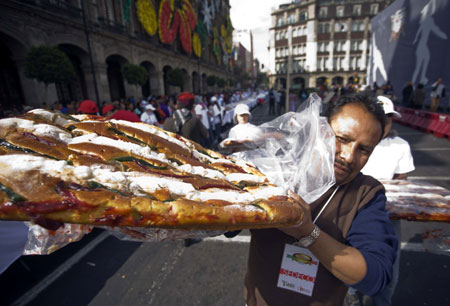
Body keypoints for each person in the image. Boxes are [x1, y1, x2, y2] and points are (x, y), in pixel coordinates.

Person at [244, 92, 398, 306]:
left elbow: (375, 276)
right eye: (342, 139)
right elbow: (223, 218)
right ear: (322, 130)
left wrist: (307, 232)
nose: (348, 156)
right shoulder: (278, 173)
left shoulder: (366, 194)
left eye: (364, 150)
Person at [345, 96, 415, 306]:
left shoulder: (400, 145)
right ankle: (351, 294)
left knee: (389, 262)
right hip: (353, 209)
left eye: (389, 118)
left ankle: (383, 301)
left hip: (388, 212)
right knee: (350, 254)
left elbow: (401, 181)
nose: (385, 123)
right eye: (380, 117)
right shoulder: (357, 141)